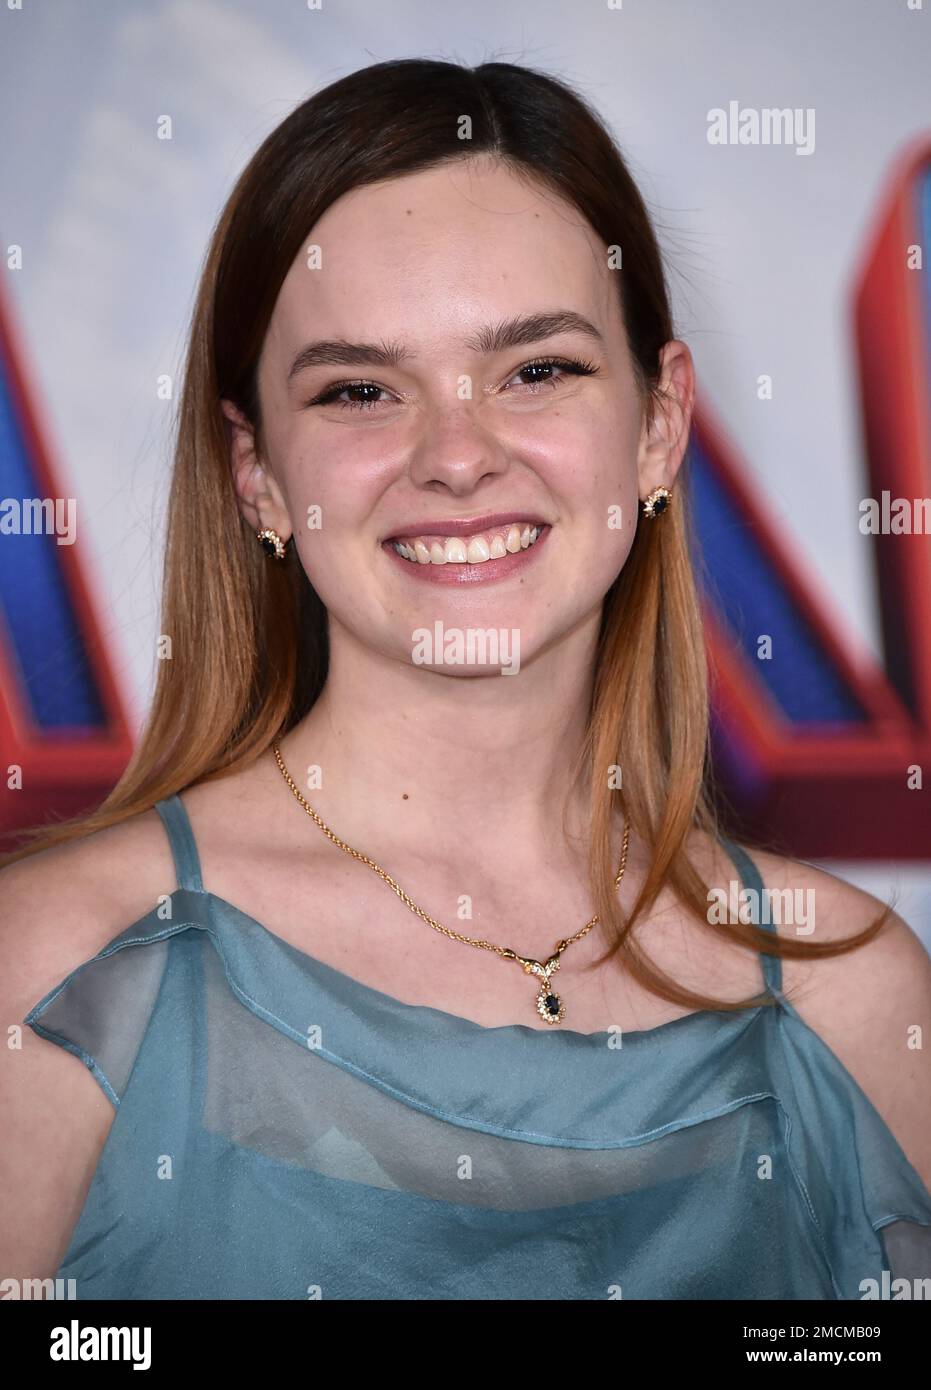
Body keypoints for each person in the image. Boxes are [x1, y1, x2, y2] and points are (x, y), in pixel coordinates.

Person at [1, 57, 929, 1301]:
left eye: (535, 369)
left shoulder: (851, 996)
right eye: (359, 390)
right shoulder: (57, 969)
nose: (455, 456)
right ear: (257, 474)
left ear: (658, 425)